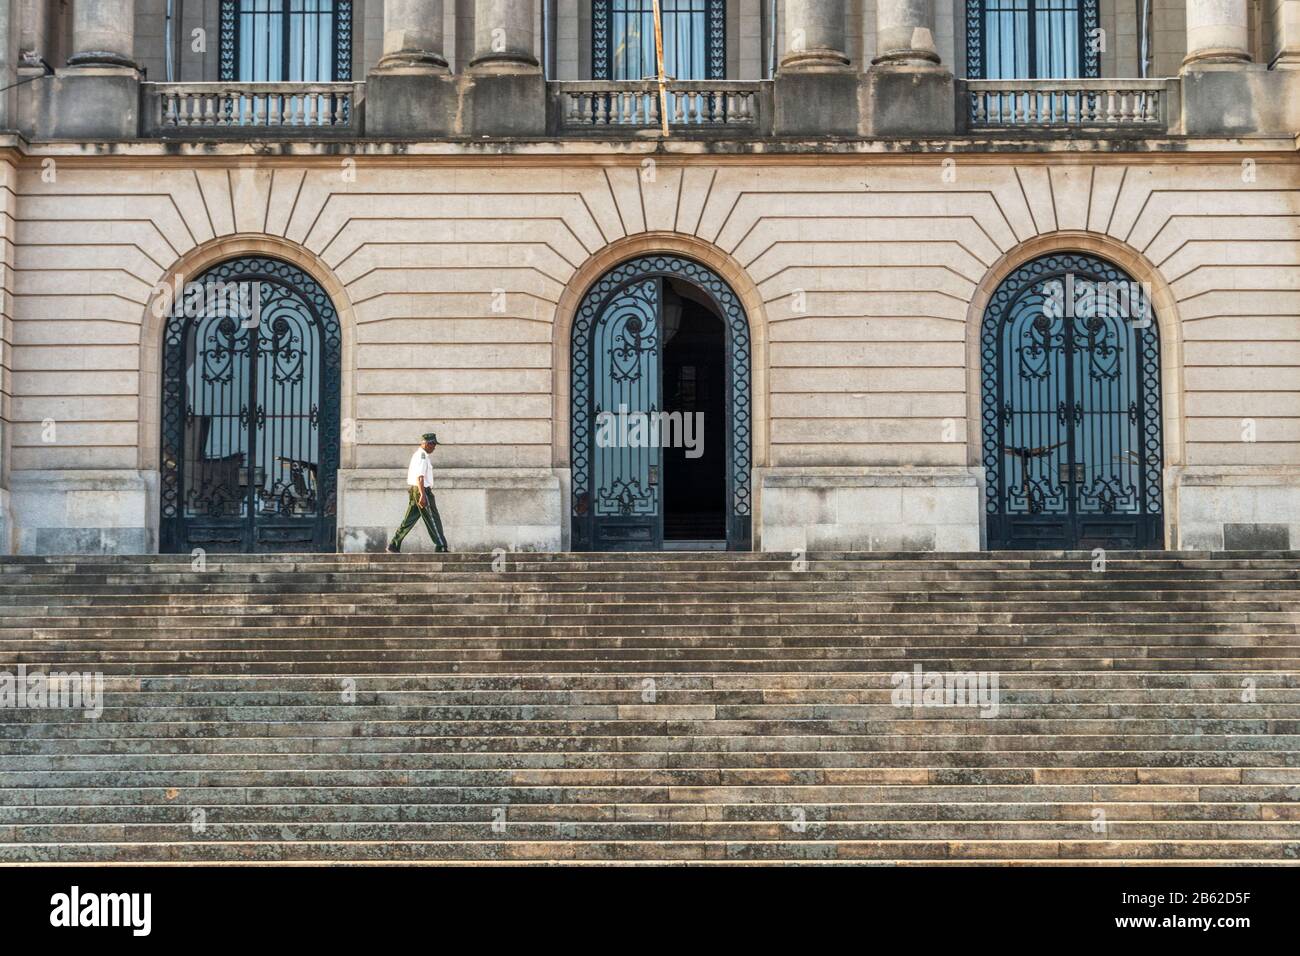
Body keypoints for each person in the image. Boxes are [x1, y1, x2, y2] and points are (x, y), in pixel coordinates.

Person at [386, 433, 449, 553]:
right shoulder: (422, 456)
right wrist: (423, 495)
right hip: (422, 490)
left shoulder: (419, 455)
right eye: (432, 444)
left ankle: (394, 544)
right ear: (425, 443)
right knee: (433, 518)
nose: (434, 447)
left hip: (416, 490)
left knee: (409, 519)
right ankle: (441, 545)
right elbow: (420, 477)